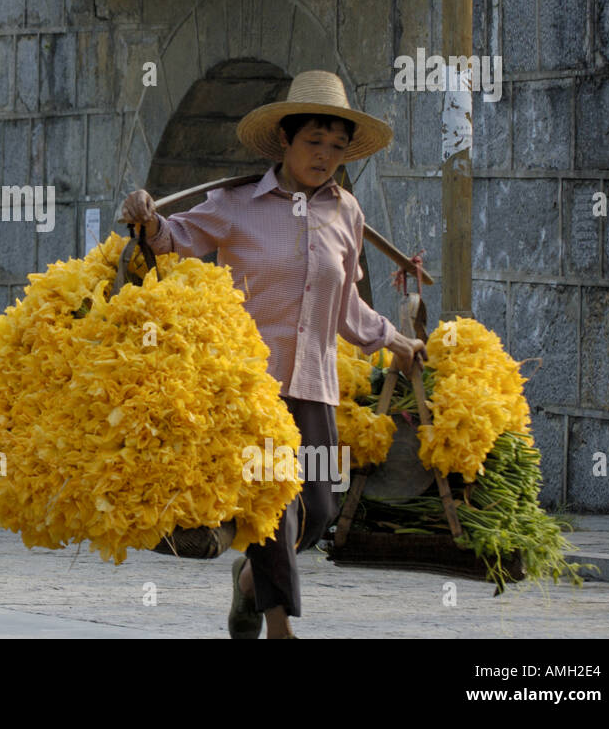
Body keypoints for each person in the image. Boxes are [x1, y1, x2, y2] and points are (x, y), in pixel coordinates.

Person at [117, 69, 427, 639]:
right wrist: (145, 213)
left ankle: (247, 584)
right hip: (249, 385)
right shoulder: (236, 204)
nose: (326, 155)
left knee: (320, 509)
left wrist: (396, 341)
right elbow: (172, 238)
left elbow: (347, 308)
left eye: (337, 147)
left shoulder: (346, 213)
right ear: (285, 141)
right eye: (315, 142)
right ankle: (280, 628)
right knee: (269, 503)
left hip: (315, 381)